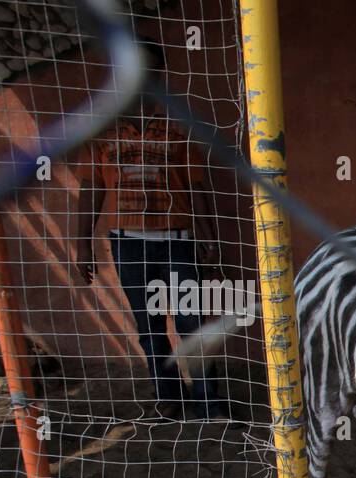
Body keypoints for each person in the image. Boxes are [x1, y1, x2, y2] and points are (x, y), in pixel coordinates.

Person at [75, 36, 230, 420]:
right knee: (149, 328)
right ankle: (169, 398)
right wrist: (81, 245)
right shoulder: (103, 130)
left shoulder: (177, 125)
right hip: (128, 246)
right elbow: (91, 187)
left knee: (191, 323)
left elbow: (195, 185)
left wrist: (207, 237)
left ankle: (208, 402)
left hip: (178, 242)